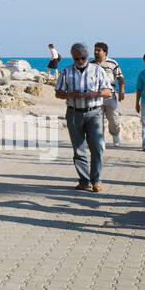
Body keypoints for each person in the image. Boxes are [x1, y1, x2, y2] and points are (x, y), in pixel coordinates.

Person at [55, 42, 114, 191]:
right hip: (74, 113)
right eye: (77, 59)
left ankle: (96, 180)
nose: (81, 61)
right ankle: (84, 180)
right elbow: (58, 93)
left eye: (83, 58)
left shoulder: (97, 70)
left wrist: (96, 93)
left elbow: (108, 91)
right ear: (72, 57)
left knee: (97, 147)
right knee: (79, 149)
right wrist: (70, 95)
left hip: (94, 112)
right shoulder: (66, 72)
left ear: (87, 56)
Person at [93, 41, 125, 147]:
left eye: (99, 50)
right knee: (97, 120)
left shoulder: (113, 63)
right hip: (96, 97)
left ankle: (115, 135)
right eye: (95, 50)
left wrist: (121, 91)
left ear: (105, 52)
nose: (96, 52)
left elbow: (120, 78)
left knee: (113, 118)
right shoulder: (91, 65)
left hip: (110, 96)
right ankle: (100, 140)